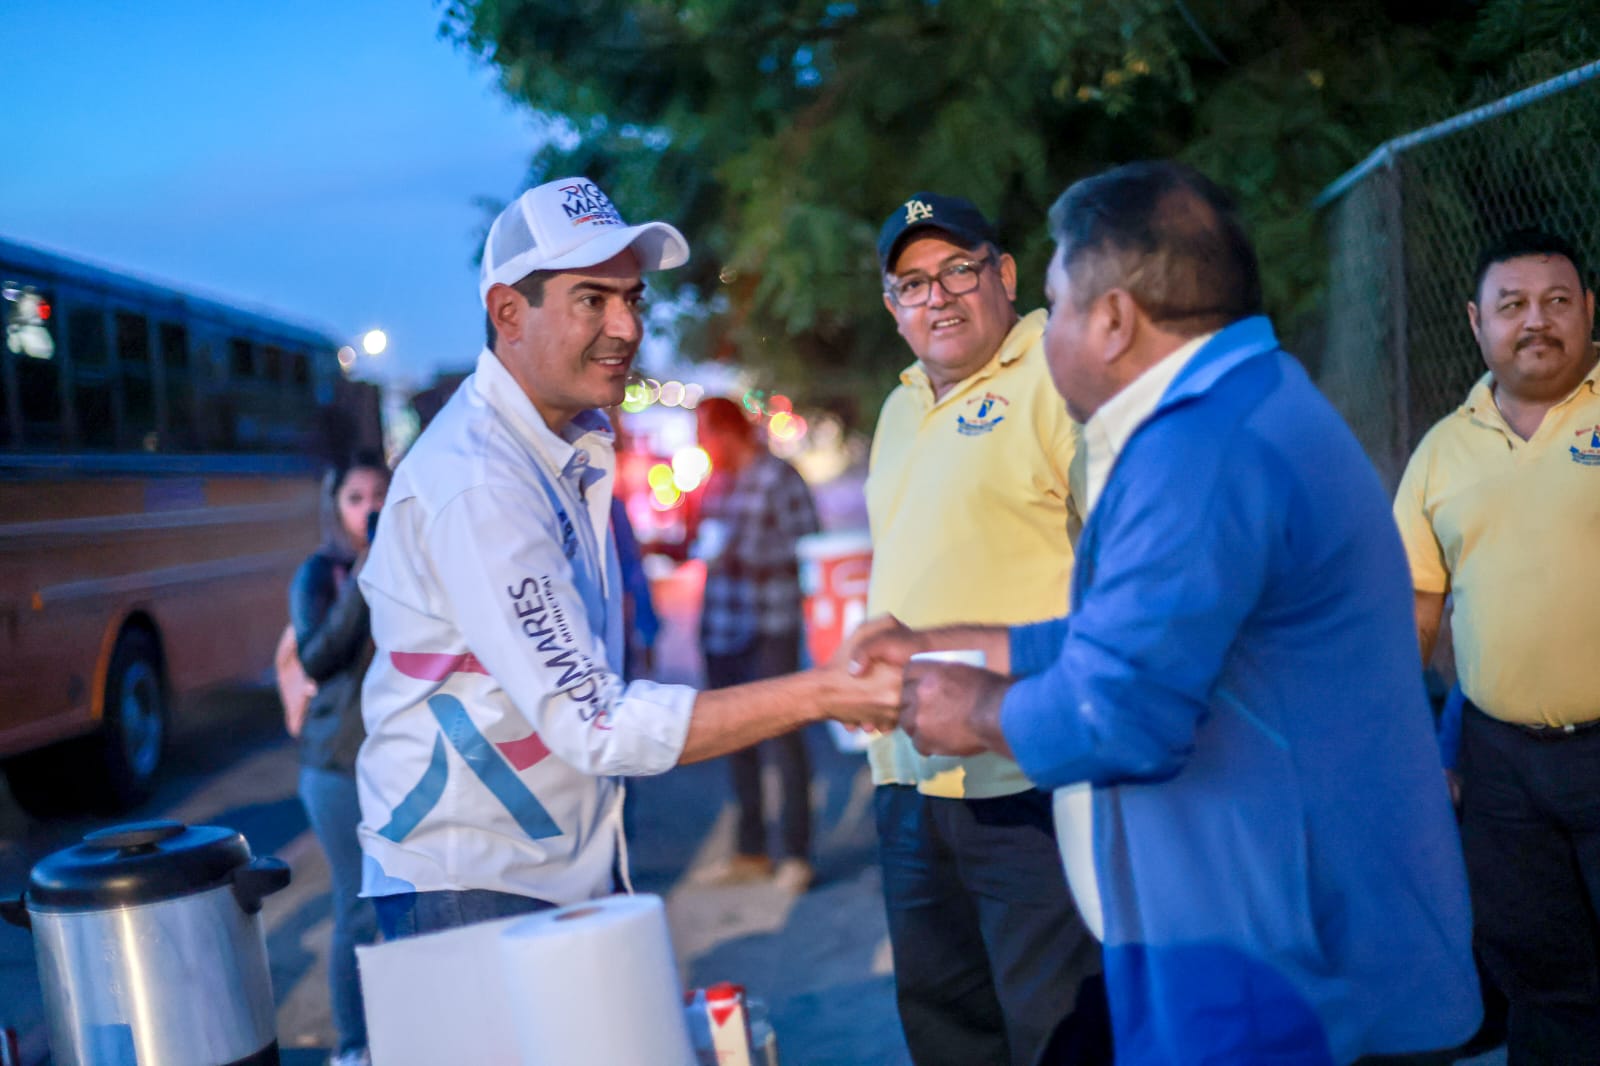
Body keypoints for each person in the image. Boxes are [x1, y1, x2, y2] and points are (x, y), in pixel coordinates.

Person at [852, 161, 1481, 1064]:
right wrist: (965, 644)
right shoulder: (1244, 405)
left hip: (1285, 975)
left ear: (1110, 321)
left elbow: (1123, 711)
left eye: (1060, 304)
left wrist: (974, 709)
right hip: (1294, 946)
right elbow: (1152, 636)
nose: (1049, 329)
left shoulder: (1199, 450)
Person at [354, 176, 899, 939]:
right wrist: (823, 693)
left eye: (632, 299)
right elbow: (599, 722)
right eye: (592, 299)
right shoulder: (483, 481)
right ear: (508, 312)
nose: (627, 327)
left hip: (549, 869)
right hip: (475, 887)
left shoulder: (560, 446)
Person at [862, 191, 1107, 1066]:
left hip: (1025, 779)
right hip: (906, 786)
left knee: (1057, 1034)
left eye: (958, 270)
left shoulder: (1055, 376)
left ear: (1003, 275)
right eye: (912, 283)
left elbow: (1123, 573)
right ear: (892, 309)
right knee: (946, 1029)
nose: (938, 296)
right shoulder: (898, 408)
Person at [1394, 227, 1600, 1062]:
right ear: (1476, 323)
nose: (1536, 322)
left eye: (1557, 301)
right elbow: (1412, 615)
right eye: (1512, 305)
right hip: (1501, 765)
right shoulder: (1443, 449)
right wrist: (1407, 750)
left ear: (1590, 311)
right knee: (1542, 979)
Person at [691, 396, 821, 891]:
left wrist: (748, 555)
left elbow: (808, 543)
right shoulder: (717, 482)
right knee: (733, 735)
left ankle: (796, 854)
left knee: (784, 736)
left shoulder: (779, 476)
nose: (704, 446)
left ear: (728, 431)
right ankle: (750, 851)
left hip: (770, 624)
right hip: (721, 625)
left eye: (707, 435)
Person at [286, 450, 388, 1066]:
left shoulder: (411, 560)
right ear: (336, 507)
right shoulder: (320, 574)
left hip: (398, 760)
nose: (369, 509)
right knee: (357, 907)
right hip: (336, 763)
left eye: (379, 495)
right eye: (356, 498)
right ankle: (353, 1048)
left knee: (404, 904)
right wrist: (367, 573)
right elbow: (317, 659)